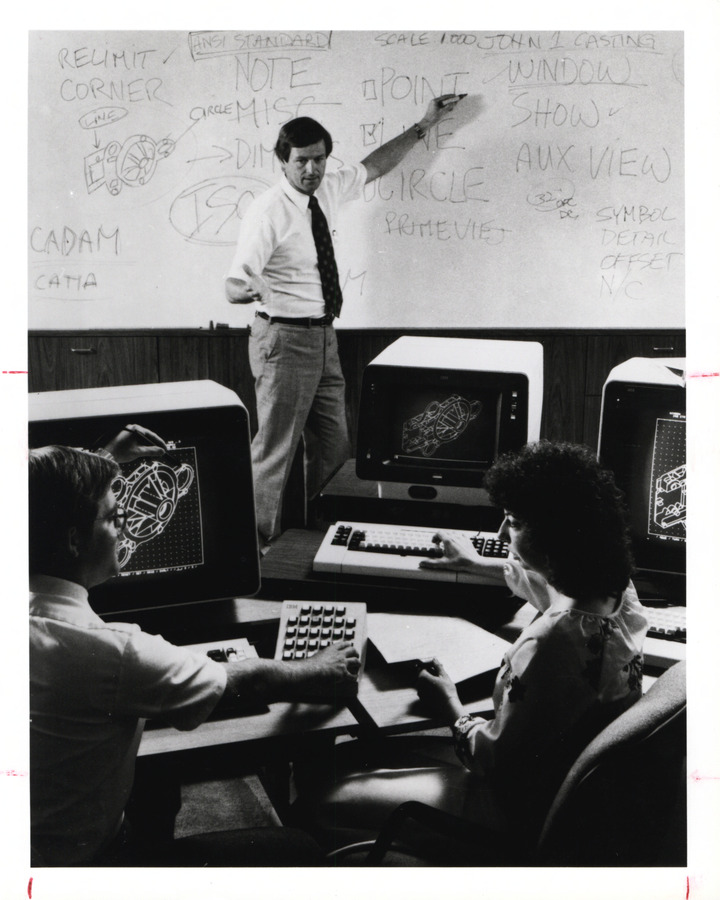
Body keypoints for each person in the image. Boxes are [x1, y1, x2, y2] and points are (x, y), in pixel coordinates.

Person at [291, 441, 648, 857]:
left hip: (512, 806)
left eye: (513, 522)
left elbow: (490, 756)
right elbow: (548, 585)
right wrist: (474, 562)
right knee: (360, 756)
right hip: (570, 789)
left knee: (323, 801)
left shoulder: (551, 642)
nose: (500, 533)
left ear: (554, 534)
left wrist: (450, 706)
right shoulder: (618, 594)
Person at [29, 439, 360, 866]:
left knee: (157, 779)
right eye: (113, 518)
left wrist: (105, 459)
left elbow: (38, 491)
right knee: (299, 847)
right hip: (78, 871)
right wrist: (318, 667)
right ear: (74, 541)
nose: (124, 526)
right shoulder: (112, 650)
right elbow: (246, 679)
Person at [225, 97, 466, 545]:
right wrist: (250, 289)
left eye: (319, 159)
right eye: (302, 161)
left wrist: (423, 125)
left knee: (335, 449)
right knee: (276, 452)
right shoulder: (268, 211)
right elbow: (234, 283)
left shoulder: (327, 189)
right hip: (283, 339)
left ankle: (329, 539)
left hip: (322, 337)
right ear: (283, 160)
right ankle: (255, 551)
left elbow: (375, 165)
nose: (311, 170)